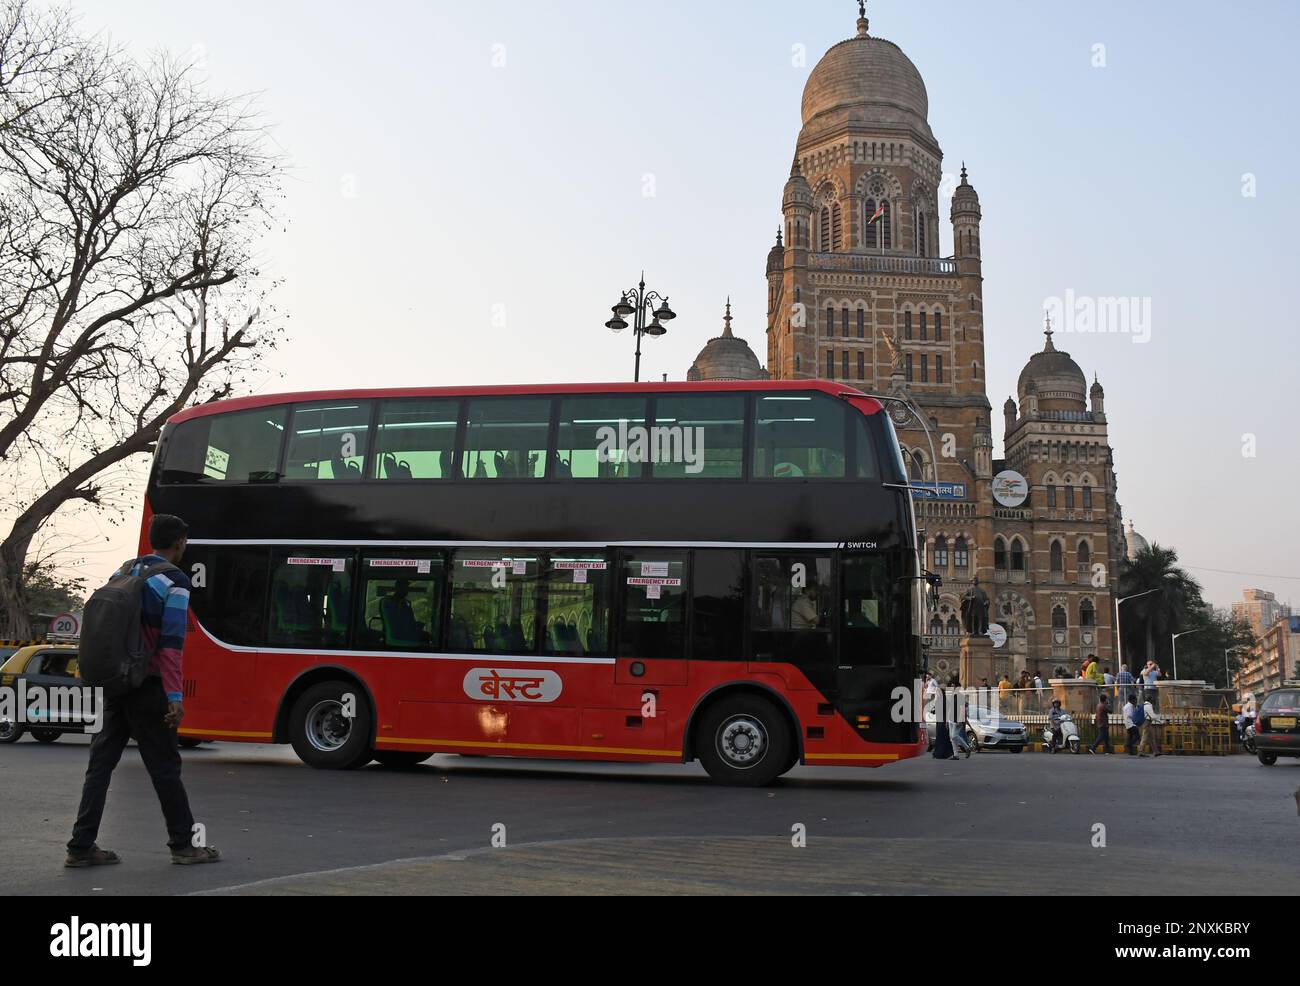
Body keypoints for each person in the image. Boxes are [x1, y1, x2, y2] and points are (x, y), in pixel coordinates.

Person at [66, 514, 220, 867]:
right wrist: (175, 696)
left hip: (114, 682)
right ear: (180, 541)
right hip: (148, 686)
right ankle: (184, 845)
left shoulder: (123, 571)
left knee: (100, 766)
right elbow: (170, 644)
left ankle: (81, 847)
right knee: (165, 766)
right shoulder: (175, 580)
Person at [1138, 692, 1163, 757]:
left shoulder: (1144, 705)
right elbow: (1152, 716)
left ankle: (1156, 751)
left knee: (1151, 738)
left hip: (1146, 722)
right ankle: (1141, 751)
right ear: (1150, 700)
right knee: (1145, 737)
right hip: (1147, 723)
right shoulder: (1148, 706)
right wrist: (1161, 721)